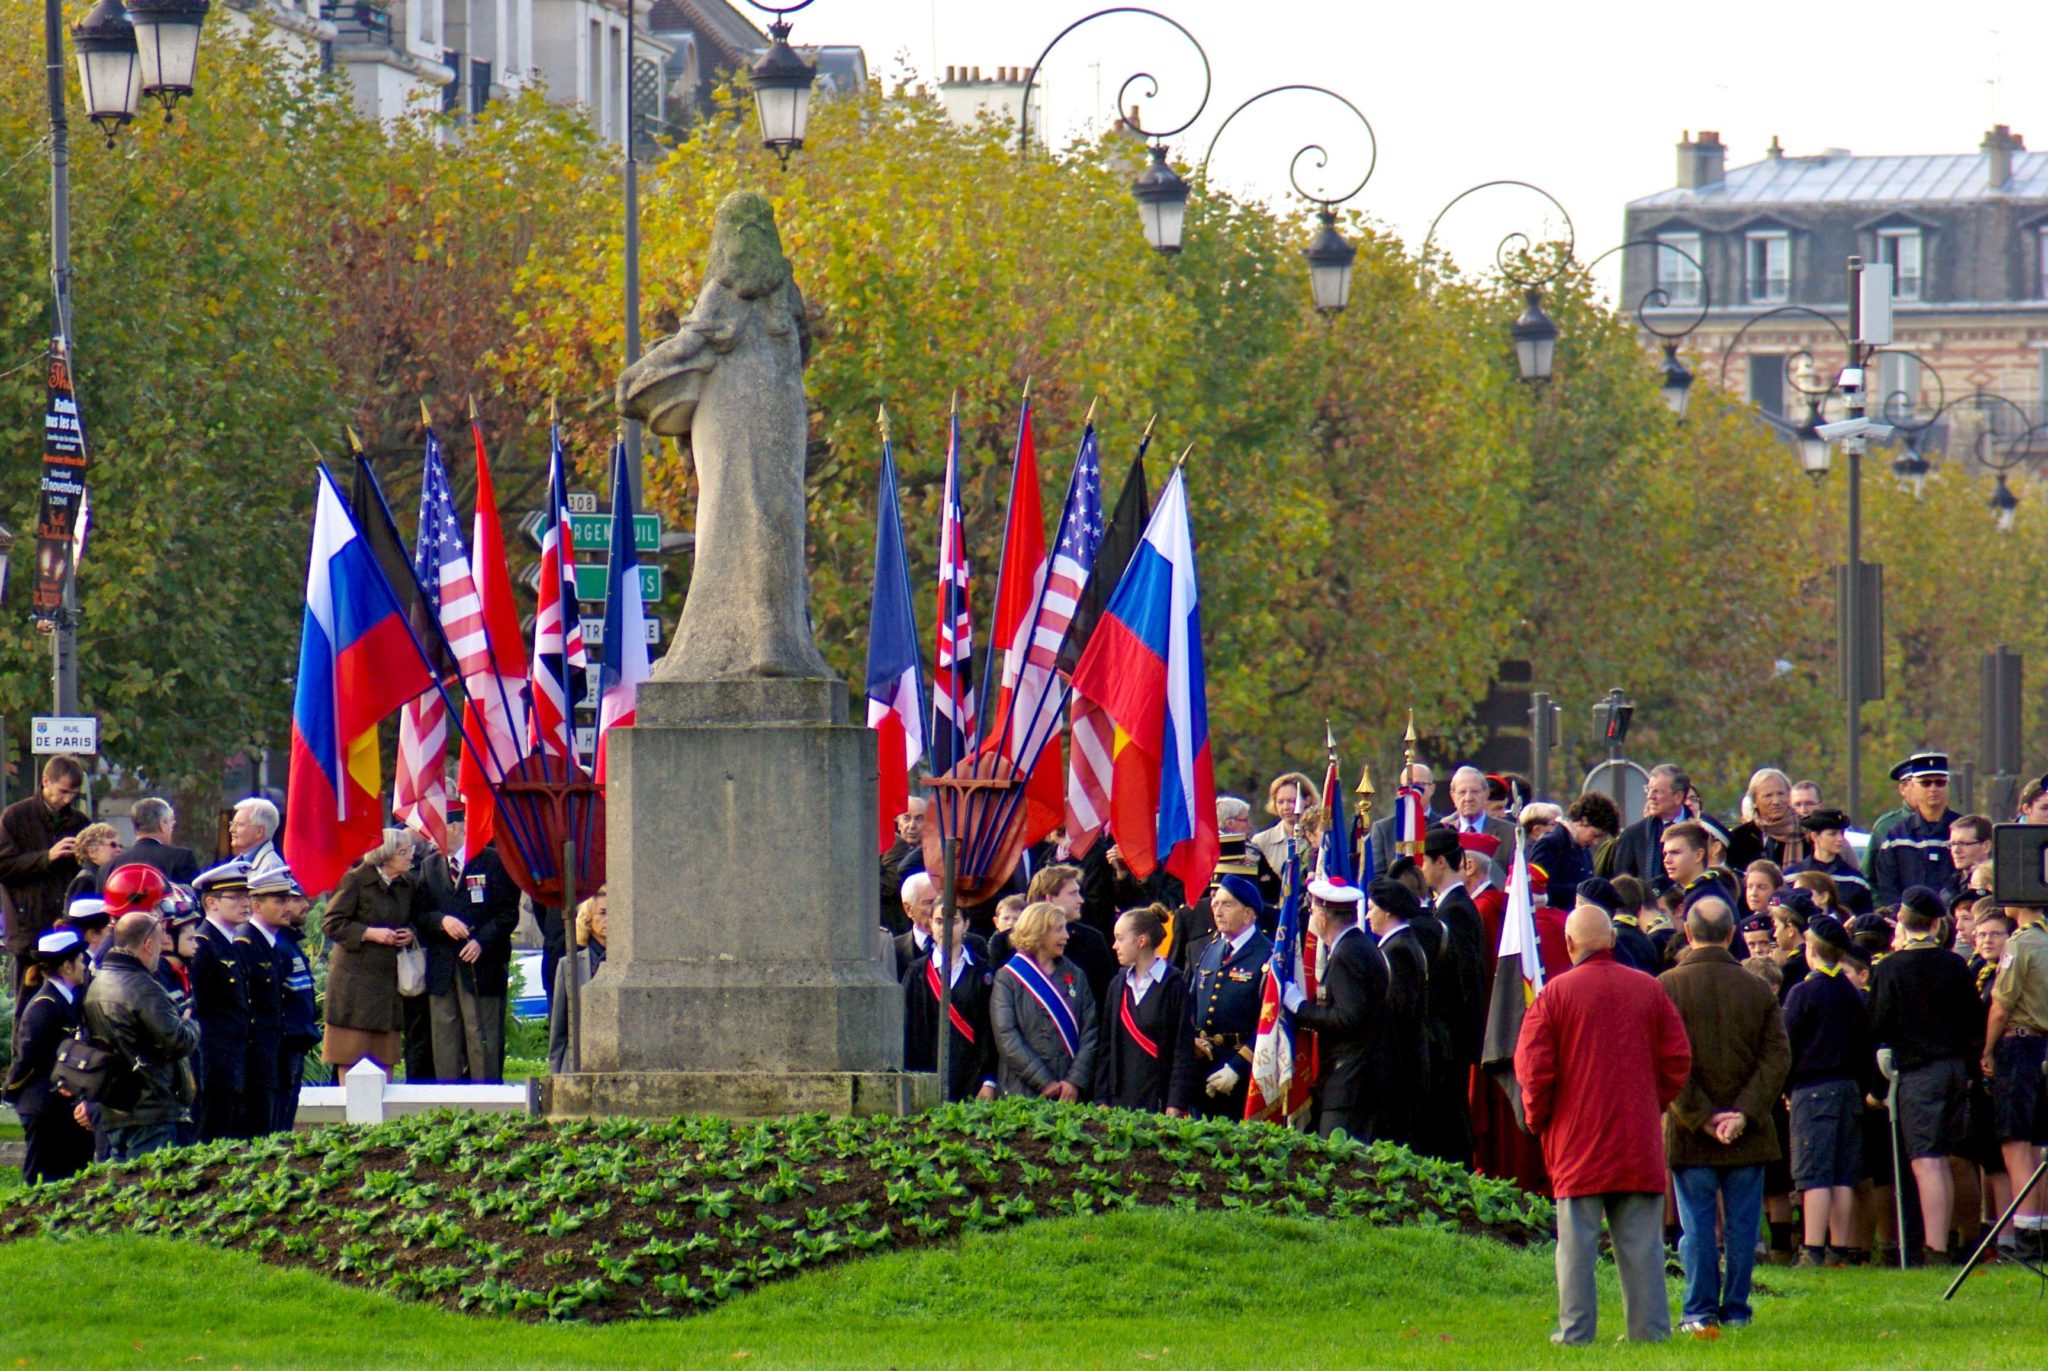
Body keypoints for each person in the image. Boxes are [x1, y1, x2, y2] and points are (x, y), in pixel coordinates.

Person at [1516, 903, 1691, 1346]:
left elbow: (1534, 1071)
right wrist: (1652, 1103)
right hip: (1637, 1139)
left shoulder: (1553, 996)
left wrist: (1539, 1120)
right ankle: (1650, 1332)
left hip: (1576, 1140)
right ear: (1613, 939)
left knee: (1575, 1248)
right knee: (1643, 1247)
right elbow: (1677, 1059)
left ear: (1568, 944)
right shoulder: (1648, 989)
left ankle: (1576, 1333)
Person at [1658, 897, 1790, 1335]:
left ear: (1688, 932)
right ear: (1732, 934)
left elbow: (1664, 1061)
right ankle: (1735, 1309)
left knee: (1696, 1226)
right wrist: (1743, 1113)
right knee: (1742, 1226)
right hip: (1747, 1131)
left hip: (1689, 1131)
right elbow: (1777, 1058)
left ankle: (1698, 1310)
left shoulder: (1667, 986)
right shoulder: (1757, 988)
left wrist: (1702, 1116)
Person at [1869, 884, 1984, 1264]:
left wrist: (1877, 1086)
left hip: (1918, 1072)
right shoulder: (1955, 965)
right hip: (1956, 1069)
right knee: (1947, 1156)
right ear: (1936, 924)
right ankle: (1947, 1238)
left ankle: (1934, 1247)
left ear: (1902, 921)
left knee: (1926, 1159)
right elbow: (1974, 1021)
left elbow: (1879, 1026)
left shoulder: (1890, 968)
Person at [1783, 913, 1874, 1267]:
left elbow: (1787, 1044)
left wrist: (1786, 1087)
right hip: (1849, 1088)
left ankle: (1813, 1248)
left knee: (1815, 1173)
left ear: (1811, 949)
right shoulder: (1851, 994)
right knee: (1842, 1172)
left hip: (1813, 1088)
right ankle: (1840, 1247)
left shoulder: (1804, 992)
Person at [82, 912, 201, 1161]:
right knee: (153, 1181)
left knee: (123, 1181)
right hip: (152, 1108)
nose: (163, 946)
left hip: (116, 1106)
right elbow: (176, 1041)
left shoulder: (98, 984)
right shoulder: (143, 987)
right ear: (148, 944)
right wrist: (191, 1024)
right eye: (160, 940)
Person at [321, 829, 427, 1082]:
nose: (410, 856)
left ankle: (382, 1107)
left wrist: (409, 933)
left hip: (388, 983)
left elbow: (417, 918)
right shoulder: (355, 880)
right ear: (385, 856)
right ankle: (348, 1103)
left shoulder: (407, 884)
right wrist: (369, 933)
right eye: (403, 852)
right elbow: (332, 923)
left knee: (384, 1054)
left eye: (410, 850)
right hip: (355, 984)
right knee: (351, 1053)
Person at [1288, 876, 1387, 1140]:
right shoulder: (1355, 946)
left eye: (1312, 912)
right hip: (1354, 1080)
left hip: (1350, 1082)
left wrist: (1299, 1007)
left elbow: (1347, 1017)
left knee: (1340, 1157)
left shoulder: (1348, 954)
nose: (1312, 917)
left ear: (1322, 917)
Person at [1982, 898, 2048, 1260]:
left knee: (2016, 1144)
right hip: (2044, 1048)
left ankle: (2025, 1235)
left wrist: (1987, 1049)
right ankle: (2042, 1229)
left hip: (2019, 1045)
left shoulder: (2019, 944)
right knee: (2040, 1146)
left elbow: (2002, 1005)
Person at [3, 930, 95, 1183]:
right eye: (80, 960)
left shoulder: (69, 999)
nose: (84, 965)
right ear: (67, 966)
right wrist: (10, 1091)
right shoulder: (45, 1006)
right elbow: (27, 1059)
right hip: (44, 1107)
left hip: (63, 1108)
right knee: (42, 1183)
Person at [1419, 826, 1484, 1164]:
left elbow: (1459, 979)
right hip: (1448, 1036)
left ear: (1441, 862)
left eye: (1424, 861)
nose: (1421, 869)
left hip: (1450, 1037)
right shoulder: (1447, 907)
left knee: (1449, 1120)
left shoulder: (1455, 910)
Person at [989, 900, 1099, 1101]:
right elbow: (1006, 1036)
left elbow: (1090, 1031)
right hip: (1021, 1093)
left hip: (1068, 1095)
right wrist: (1044, 1081)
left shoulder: (1076, 976)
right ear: (1038, 933)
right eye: (1058, 930)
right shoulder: (1008, 977)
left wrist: (1074, 1081)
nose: (1066, 936)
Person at [1183, 873, 1272, 1121]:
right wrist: (1192, 1040)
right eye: (1215, 904)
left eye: (1227, 905)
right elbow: (1191, 1005)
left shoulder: (1267, 955)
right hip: (1203, 1068)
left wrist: (1237, 1068)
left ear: (1248, 913)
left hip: (1242, 1074)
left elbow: (1269, 1023)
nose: (1218, 912)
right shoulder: (1212, 950)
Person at [0, 755, 90, 998]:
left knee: (67, 999)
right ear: (45, 781)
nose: (67, 799)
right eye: (63, 791)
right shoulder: (15, 817)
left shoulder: (79, 822)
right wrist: (47, 857)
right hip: (28, 927)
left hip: (64, 925)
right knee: (27, 1000)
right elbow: (4, 866)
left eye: (73, 794)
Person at [1093, 905, 1197, 1115]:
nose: (1114, 945)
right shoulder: (1118, 984)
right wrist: (1102, 1096)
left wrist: (1175, 1102)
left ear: (1141, 941)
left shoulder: (1174, 985)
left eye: (1120, 938)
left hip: (1158, 1098)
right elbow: (1106, 1045)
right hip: (1119, 1098)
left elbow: (1182, 1048)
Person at [902, 896, 997, 1103]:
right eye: (939, 921)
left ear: (966, 924)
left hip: (972, 1078)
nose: (945, 928)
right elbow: (906, 1027)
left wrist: (989, 1080)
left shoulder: (983, 972)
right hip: (926, 1076)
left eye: (953, 921)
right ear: (930, 924)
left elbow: (990, 1030)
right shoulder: (917, 972)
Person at [189, 860, 255, 1141]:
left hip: (232, 1056)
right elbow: (200, 1007)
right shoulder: (203, 945)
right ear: (211, 902)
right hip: (214, 1059)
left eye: (246, 896)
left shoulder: (228, 942)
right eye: (236, 897)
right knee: (213, 1134)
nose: (245, 903)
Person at [1365, 877, 1432, 1151]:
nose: (1367, 916)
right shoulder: (1403, 943)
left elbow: (1396, 1012)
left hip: (1399, 1068)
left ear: (1387, 911)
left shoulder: (1398, 950)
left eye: (1372, 909)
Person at [252, 868, 319, 1132]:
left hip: (293, 1044)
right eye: (292, 899)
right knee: (275, 1125)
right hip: (282, 1046)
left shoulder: (286, 943)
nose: (304, 906)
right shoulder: (272, 945)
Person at [451, 838, 521, 1082]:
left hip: (485, 964)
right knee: (449, 1039)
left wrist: (482, 941)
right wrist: (441, 921)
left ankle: (487, 1090)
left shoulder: (492, 860)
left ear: (457, 829)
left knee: (484, 1035)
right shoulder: (432, 864)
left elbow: (508, 913)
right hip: (446, 965)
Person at [1870, 753, 1962, 907]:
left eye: (1940, 782)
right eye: (1926, 783)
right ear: (1913, 786)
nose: (1933, 789)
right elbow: (1887, 887)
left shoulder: (1963, 831)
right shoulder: (1897, 835)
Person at [549, 890, 609, 1074]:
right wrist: (556, 1075)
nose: (610, 919)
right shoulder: (568, 966)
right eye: (603, 913)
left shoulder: (627, 967)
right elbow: (559, 1030)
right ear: (588, 918)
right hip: (576, 1065)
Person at [1612, 763, 1691, 892]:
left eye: (1657, 791)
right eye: (1648, 789)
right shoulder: (1633, 836)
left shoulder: (1701, 832)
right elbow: (1623, 888)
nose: (1650, 797)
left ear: (1678, 797)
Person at [1784, 808, 1873, 917]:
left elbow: (1865, 918)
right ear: (1814, 837)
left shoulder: (1855, 880)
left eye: (1842, 833)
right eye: (1832, 834)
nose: (1840, 838)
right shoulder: (1791, 877)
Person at [1727, 768, 1809, 872]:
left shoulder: (1807, 831)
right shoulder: (1740, 837)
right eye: (1768, 796)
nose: (1776, 801)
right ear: (1754, 801)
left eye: (1781, 794)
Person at [111, 798, 201, 886]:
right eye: (171, 824)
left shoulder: (110, 866)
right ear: (163, 824)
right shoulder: (182, 858)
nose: (172, 829)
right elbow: (193, 894)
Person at [1251, 771, 1319, 877]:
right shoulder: (1261, 841)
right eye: (1280, 802)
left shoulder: (1319, 837)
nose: (1286, 807)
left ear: (1307, 800)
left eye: (1292, 801)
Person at [1439, 767, 1517, 854]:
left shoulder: (1510, 834)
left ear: (1486, 794)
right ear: (1453, 796)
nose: (1468, 798)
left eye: (1475, 791)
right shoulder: (1442, 834)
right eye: (1462, 792)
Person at [879, 798, 927, 934]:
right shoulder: (885, 848)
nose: (912, 825)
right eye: (906, 818)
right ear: (898, 822)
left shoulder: (933, 854)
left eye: (919, 819)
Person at [63, 824, 121, 906]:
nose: (119, 850)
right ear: (91, 851)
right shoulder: (85, 881)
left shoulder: (106, 877)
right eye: (113, 845)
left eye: (120, 846)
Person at [228, 798, 286, 876]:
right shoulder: (237, 862)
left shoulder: (271, 867)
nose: (231, 830)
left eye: (239, 824)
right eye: (232, 824)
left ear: (259, 832)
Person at [1944, 816, 1994, 903]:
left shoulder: (1998, 886)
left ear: (1986, 846)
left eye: (1963, 843)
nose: (1956, 850)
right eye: (1952, 844)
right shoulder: (1949, 886)